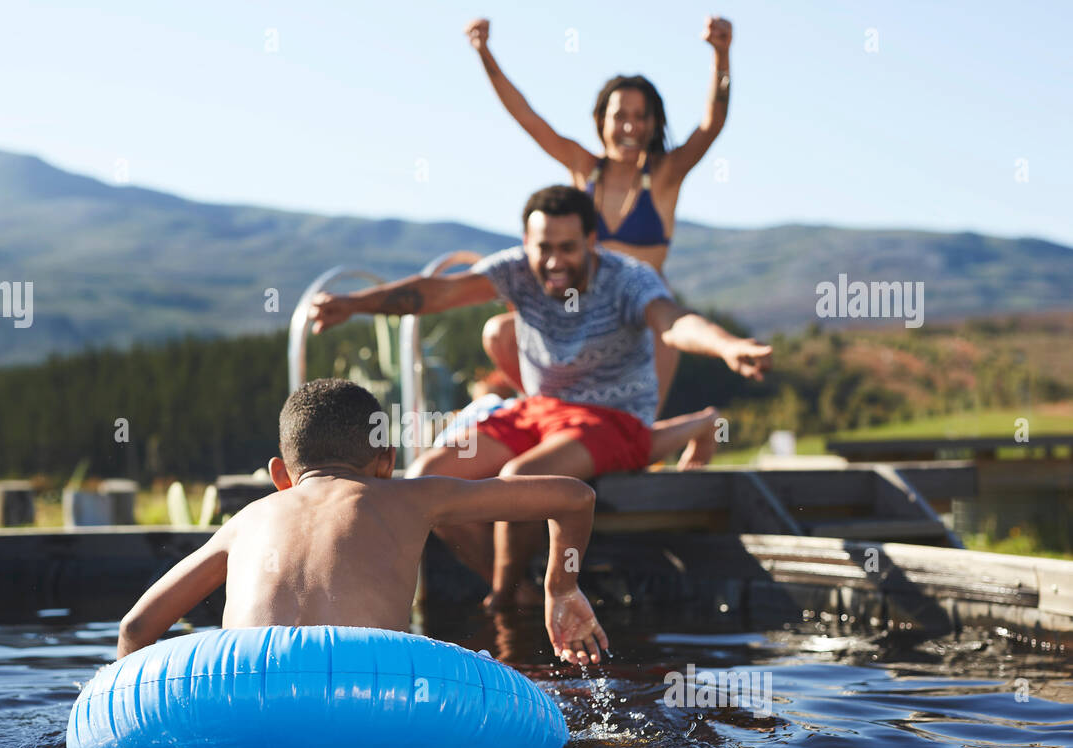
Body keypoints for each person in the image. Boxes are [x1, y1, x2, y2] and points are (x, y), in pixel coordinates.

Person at [306, 186, 770, 606]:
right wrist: (356, 303)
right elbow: (439, 292)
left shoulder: (629, 278)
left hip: (611, 415)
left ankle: (503, 606)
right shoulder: (515, 270)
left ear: (591, 241)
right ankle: (518, 592)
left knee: (521, 476)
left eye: (567, 248)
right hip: (538, 409)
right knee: (427, 476)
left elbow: (673, 321)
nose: (553, 261)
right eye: (543, 247)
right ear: (527, 242)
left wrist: (729, 346)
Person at [116, 378, 610, 664]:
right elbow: (574, 498)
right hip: (365, 698)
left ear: (279, 475)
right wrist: (560, 588)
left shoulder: (246, 521)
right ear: (386, 461)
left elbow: (136, 628)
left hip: (243, 699)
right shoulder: (412, 497)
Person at [466, 15, 733, 466]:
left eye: (640, 117)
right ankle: (550, 417)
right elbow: (528, 119)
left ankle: (701, 426)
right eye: (619, 116)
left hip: (642, 324)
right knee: (498, 333)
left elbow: (712, 123)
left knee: (633, 438)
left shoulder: (665, 176)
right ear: (601, 121)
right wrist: (485, 54)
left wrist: (721, 54)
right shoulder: (582, 169)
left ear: (652, 124)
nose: (629, 126)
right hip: (578, 319)